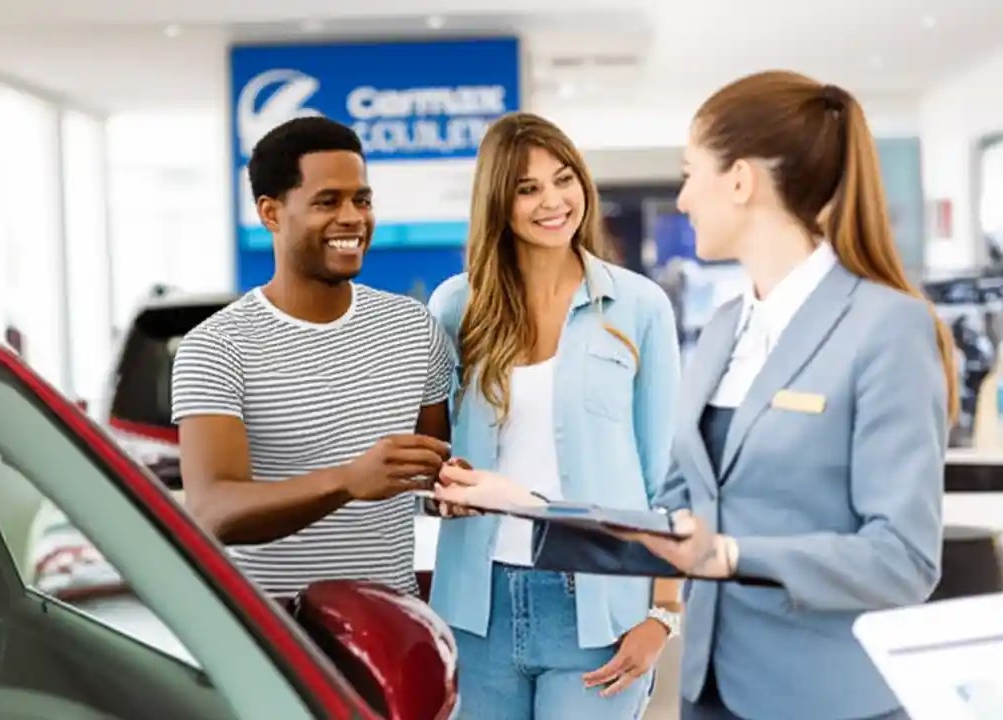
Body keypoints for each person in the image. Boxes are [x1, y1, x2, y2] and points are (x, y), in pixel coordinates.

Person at [435, 71, 956, 720]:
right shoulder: (726, 328)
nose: (681, 200)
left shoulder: (888, 325)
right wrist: (528, 503)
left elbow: (902, 559)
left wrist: (708, 569)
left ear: (738, 181)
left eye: (690, 174)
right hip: (712, 690)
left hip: (827, 694)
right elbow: (676, 503)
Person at [425, 111, 684, 719]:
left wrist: (663, 614)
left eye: (564, 179)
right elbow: (431, 456)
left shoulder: (638, 306)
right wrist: (441, 487)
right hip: (477, 607)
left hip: (597, 609)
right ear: (499, 201)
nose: (553, 201)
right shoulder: (455, 307)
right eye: (527, 187)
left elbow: (668, 478)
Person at [170, 116, 453, 601]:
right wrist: (347, 481)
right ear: (271, 213)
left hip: (395, 629)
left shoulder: (413, 328)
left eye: (361, 200)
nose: (352, 218)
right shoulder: (216, 347)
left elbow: (434, 480)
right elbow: (212, 510)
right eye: (328, 202)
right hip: (272, 640)